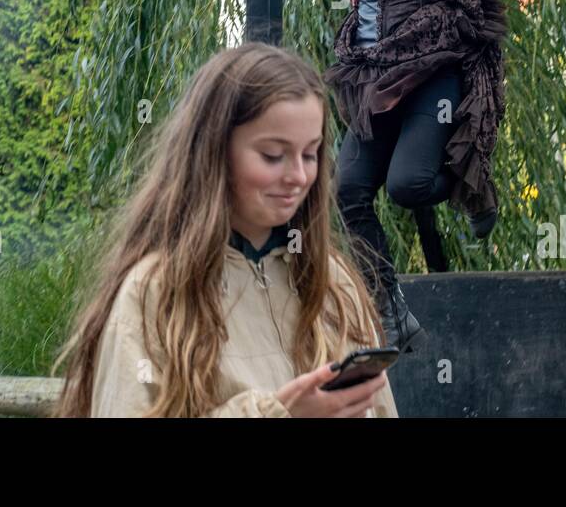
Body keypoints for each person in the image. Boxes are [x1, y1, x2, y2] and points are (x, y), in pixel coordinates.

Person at [53, 42, 397, 418]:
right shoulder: (153, 292)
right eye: (272, 155)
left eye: (310, 153)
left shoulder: (334, 284)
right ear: (214, 151)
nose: (298, 177)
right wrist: (277, 414)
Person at [287, 0, 508, 352]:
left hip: (429, 69)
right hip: (375, 76)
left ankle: (469, 185)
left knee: (409, 186)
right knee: (346, 192)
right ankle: (389, 306)